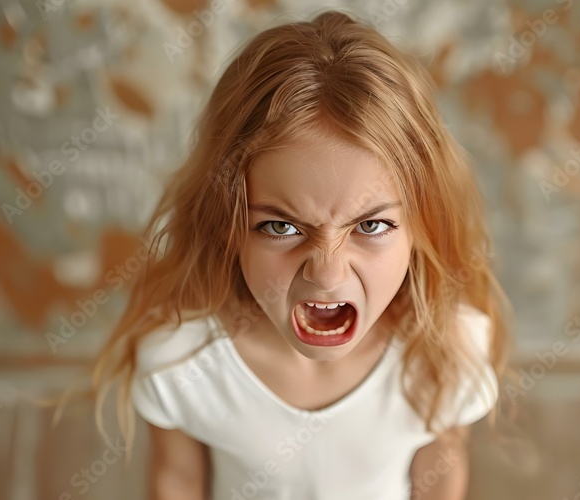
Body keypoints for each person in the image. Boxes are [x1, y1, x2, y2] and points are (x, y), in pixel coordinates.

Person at [90, 9, 511, 499]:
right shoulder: (183, 363)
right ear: (226, 226)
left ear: (423, 224)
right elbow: (178, 481)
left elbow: (440, 472)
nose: (327, 275)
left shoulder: (443, 354)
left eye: (371, 226)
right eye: (282, 226)